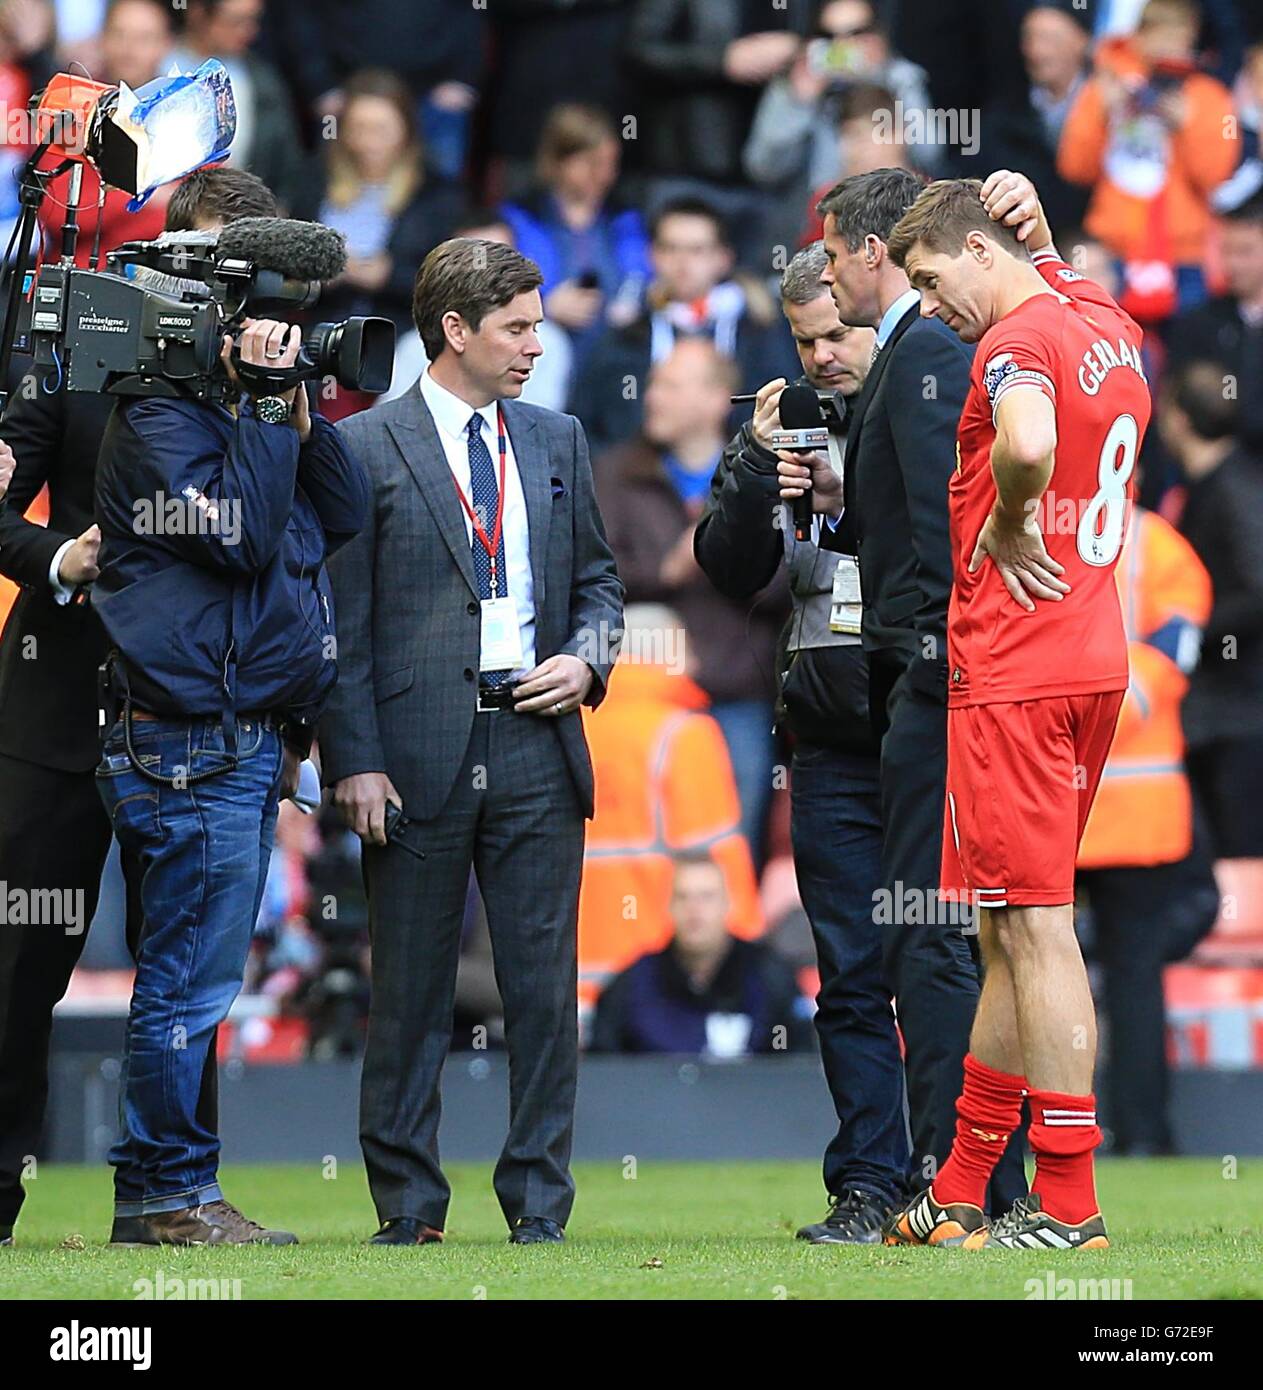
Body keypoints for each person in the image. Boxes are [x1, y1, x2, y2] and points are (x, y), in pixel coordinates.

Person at [319, 237, 623, 1247]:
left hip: (539, 738)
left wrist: (587, 660)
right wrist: (351, 757)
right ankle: (407, 1205)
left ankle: (540, 1203)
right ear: (455, 330)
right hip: (410, 755)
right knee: (406, 993)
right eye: (518, 327)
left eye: (538, 324)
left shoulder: (557, 438)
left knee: (545, 991)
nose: (538, 344)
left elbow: (602, 588)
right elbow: (340, 623)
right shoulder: (363, 447)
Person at [0, 167, 283, 1249]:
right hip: (58, 712)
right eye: (210, 265)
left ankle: (173, 1199)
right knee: (17, 970)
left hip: (203, 715)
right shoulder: (76, 346)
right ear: (163, 255)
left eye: (243, 272)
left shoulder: (264, 375)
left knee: (190, 975)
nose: (227, 291)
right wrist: (58, 558)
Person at [878, 169, 1151, 1250]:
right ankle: (961, 1185)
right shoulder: (1100, 318)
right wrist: (1040, 231)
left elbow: (1028, 445)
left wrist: (1009, 518)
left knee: (1034, 928)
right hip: (1091, 657)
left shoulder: (1010, 346)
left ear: (980, 254)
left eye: (936, 278)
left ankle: (1072, 1200)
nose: (932, 304)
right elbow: (1054, 278)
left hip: (1017, 668)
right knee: (1004, 924)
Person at [91, 208, 369, 1244]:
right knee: (185, 983)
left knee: (199, 979)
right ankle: (167, 1194)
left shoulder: (257, 417)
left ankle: (161, 1192)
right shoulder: (156, 420)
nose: (291, 344)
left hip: (241, 734)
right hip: (183, 739)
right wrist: (258, 409)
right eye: (271, 328)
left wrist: (295, 413)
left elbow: (338, 515)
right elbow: (249, 540)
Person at [777, 169, 1026, 1211]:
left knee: (934, 941)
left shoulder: (924, 355)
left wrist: (930, 668)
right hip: (925, 685)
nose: (828, 275)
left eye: (833, 256)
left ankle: (959, 1180)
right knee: (941, 937)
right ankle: (976, 1179)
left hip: (931, 687)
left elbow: (944, 533)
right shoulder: (920, 358)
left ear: (871, 254)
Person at [695, 241, 910, 1242]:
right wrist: (751, 466)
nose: (823, 354)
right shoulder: (783, 429)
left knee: (950, 959)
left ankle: (969, 1179)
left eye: (839, 333)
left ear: (878, 310)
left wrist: (845, 500)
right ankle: (869, 1183)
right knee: (852, 974)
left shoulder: (920, 404)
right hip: (826, 739)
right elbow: (728, 571)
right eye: (805, 339)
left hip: (929, 721)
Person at [595, 338, 788, 863]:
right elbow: (595, 576)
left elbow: (785, 581)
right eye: (655, 383)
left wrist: (724, 554)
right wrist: (667, 570)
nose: (653, 397)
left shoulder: (763, 473)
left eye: (672, 386)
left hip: (736, 694)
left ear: (715, 399)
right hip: (643, 697)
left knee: (727, 854)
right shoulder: (616, 473)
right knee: (646, 856)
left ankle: (730, 948)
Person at [1076, 504, 1217, 1156]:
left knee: (1027, 966)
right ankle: (1143, 1134)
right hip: (1135, 808)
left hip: (1057, 804)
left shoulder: (1023, 522)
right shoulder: (1154, 544)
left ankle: (1020, 1139)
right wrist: (1119, 703)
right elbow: (1176, 646)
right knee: (1133, 977)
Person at [576, 603, 763, 1027]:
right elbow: (720, 863)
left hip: (572, 983)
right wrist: (750, 973)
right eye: (688, 647)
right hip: (657, 991)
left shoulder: (573, 730)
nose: (697, 663)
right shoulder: (684, 734)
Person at [1056, 0, 1240, 320]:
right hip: (1115, 250)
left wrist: (1188, 125)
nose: (1170, 48)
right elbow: (1074, 167)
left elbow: (1215, 176)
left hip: (1184, 257)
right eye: (1162, 37)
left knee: (1183, 361)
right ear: (1139, 37)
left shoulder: (1208, 96)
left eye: (1180, 39)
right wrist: (1102, 113)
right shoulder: (1107, 87)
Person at [568, 197, 793, 455]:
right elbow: (585, 424)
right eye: (670, 249)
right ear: (652, 255)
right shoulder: (624, 338)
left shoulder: (762, 332)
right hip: (639, 485)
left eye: (697, 250)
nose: (682, 263)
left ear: (723, 258)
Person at [1164, 359, 1263, 865]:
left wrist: (1190, 631)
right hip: (1215, 712)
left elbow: (1257, 590)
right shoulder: (1212, 487)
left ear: (1179, 420)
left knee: (1238, 859)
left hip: (1239, 716)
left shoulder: (1235, 490)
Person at [293, 68, 465, 338]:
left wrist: (389, 276)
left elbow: (452, 282)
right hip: (320, 326)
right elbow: (286, 264)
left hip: (403, 332)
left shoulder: (435, 193)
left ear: (406, 129)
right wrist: (318, 276)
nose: (369, 142)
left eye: (381, 129)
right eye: (359, 128)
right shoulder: (314, 181)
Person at [590, 850, 812, 1057]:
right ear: (668, 907)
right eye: (683, 897)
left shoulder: (769, 977)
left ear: (728, 904)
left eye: (706, 897)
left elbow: (799, 1064)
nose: (694, 910)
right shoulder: (633, 985)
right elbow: (604, 1070)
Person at [377, 212, 574, 414]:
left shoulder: (547, 343)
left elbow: (538, 429)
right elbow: (390, 426)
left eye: (501, 259)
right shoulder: (415, 347)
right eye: (478, 261)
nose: (490, 272)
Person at [499, 104, 651, 364]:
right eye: (593, 164)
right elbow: (496, 290)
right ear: (559, 161)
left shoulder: (625, 218)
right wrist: (545, 307)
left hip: (615, 354)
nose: (605, 175)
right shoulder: (519, 218)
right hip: (538, 352)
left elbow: (642, 274)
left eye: (611, 164)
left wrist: (631, 302)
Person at [172, 0, 305, 211]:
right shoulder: (155, 67)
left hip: (238, 217)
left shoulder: (263, 83)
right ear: (197, 14)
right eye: (236, 21)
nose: (249, 32)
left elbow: (285, 166)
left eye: (253, 20)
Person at [1167, 190, 1263, 456]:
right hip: (1218, 470)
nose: (1233, 264)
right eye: (1226, 251)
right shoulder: (1200, 322)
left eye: (1245, 251)